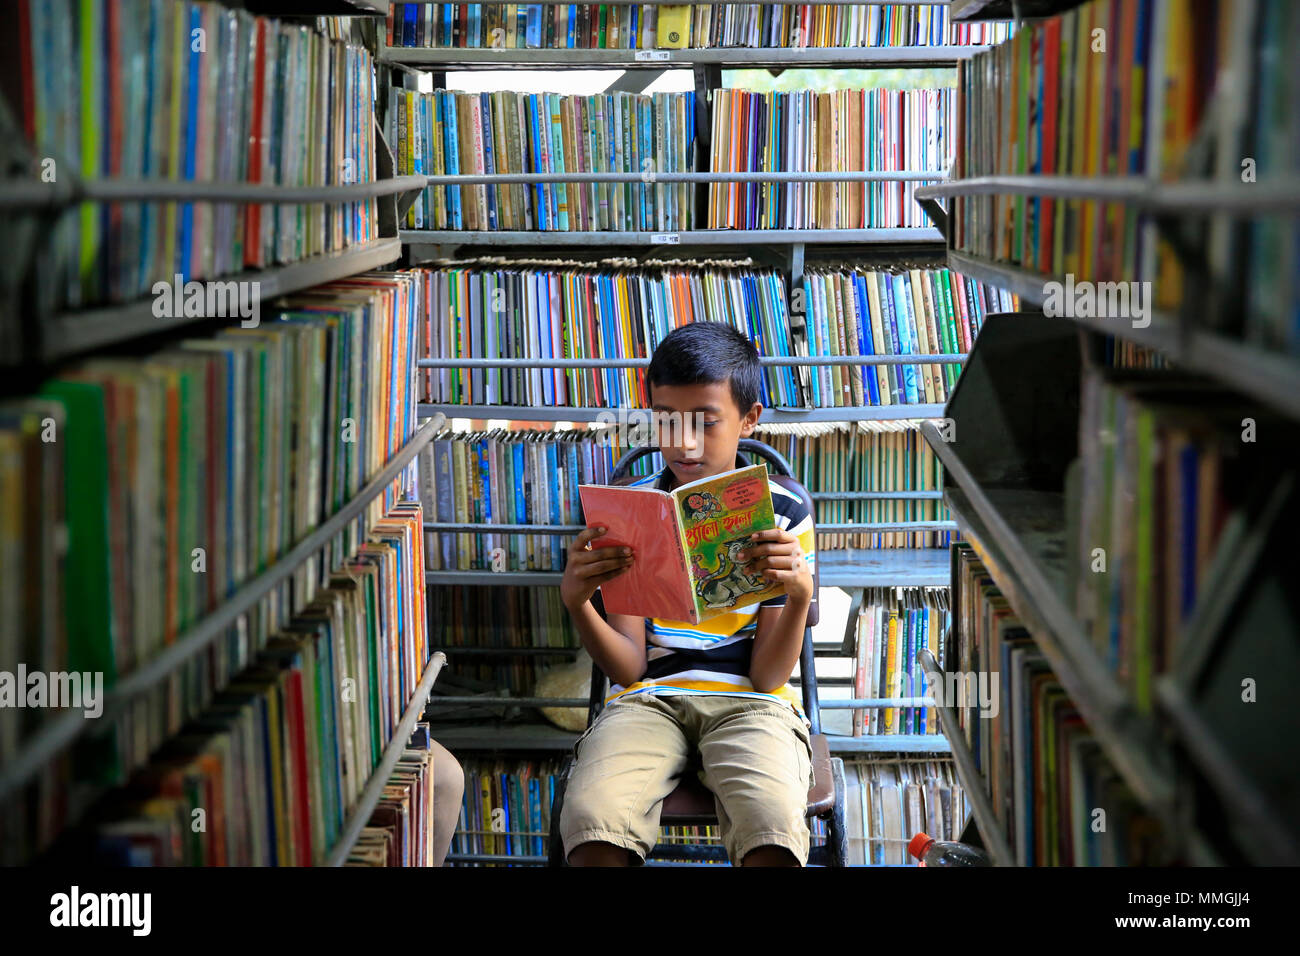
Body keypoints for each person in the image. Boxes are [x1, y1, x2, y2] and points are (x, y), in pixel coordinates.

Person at [558, 322, 817, 867]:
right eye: (666, 420)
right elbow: (629, 668)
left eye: (705, 421)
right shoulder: (630, 511)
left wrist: (797, 597)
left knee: (771, 823)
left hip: (753, 704)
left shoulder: (783, 511)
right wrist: (578, 602)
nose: (683, 442)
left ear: (750, 419)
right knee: (592, 819)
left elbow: (769, 678)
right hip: (648, 699)